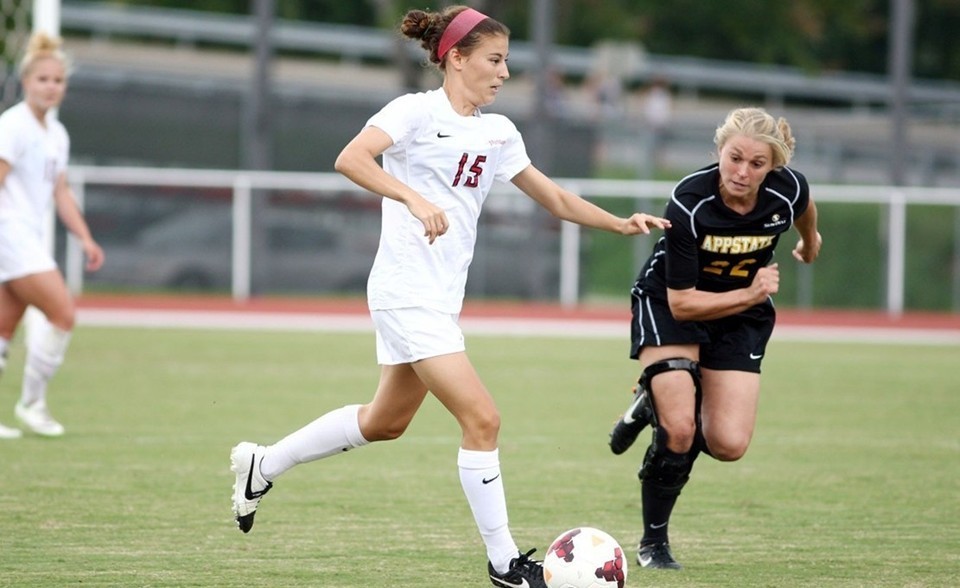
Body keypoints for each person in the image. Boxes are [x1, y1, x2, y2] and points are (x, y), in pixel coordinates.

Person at [228, 6, 669, 587]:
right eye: (494, 60)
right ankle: (505, 563)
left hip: (438, 300)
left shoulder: (498, 131)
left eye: (507, 60)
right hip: (404, 291)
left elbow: (555, 199)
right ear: (455, 59)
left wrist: (618, 224)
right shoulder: (413, 111)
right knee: (483, 418)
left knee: (385, 421)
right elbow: (351, 158)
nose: (505, 72)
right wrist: (412, 197)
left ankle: (264, 462)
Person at [607, 107, 821, 570]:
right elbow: (683, 303)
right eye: (734, 158)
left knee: (728, 443)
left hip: (741, 316)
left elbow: (804, 207)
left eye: (757, 164)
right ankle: (654, 544)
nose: (742, 172)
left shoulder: (789, 189)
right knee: (680, 429)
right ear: (719, 152)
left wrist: (811, 239)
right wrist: (752, 290)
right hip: (672, 303)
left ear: (774, 167)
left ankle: (656, 399)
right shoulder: (690, 200)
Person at [0, 32, 105, 439]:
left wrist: (85, 237)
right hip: (9, 234)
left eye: (57, 80)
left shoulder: (56, 134)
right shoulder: (12, 125)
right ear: (26, 81)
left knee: (5, 326)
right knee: (62, 312)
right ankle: (32, 403)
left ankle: (30, 404)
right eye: (43, 79)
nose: (50, 87)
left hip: (24, 236)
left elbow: (59, 191)